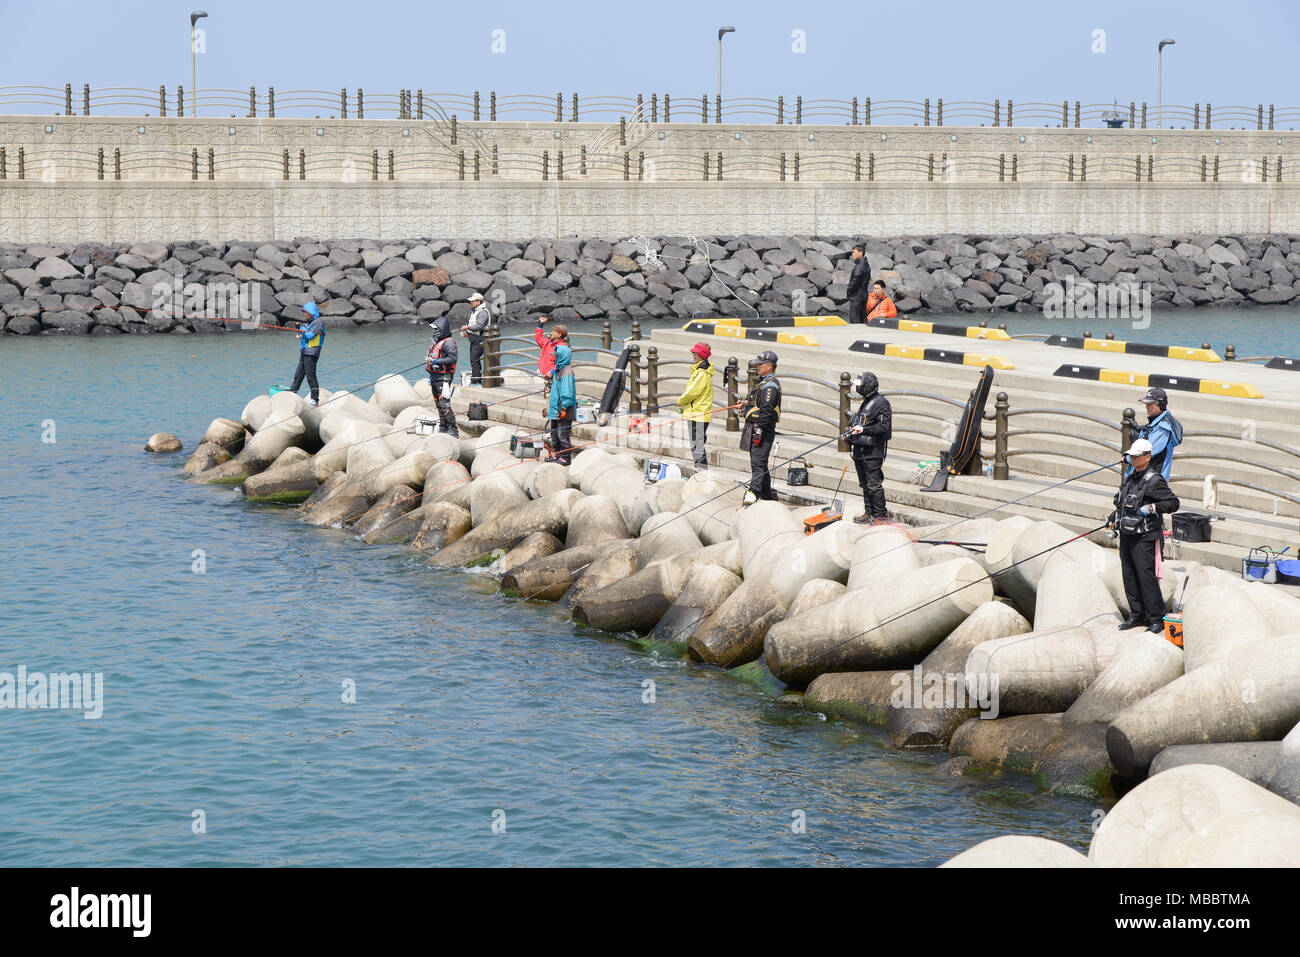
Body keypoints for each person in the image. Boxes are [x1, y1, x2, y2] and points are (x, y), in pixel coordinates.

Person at [1108, 438, 1180, 633]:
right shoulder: (1130, 478)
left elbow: (1173, 503)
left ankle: (1155, 618)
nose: (1132, 458)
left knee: (1146, 577)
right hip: (1127, 535)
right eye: (1131, 455)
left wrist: (1153, 507)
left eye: (1136, 456)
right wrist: (1113, 517)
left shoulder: (1155, 481)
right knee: (1129, 575)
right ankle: (1136, 614)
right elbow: (1123, 505)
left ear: (1147, 458)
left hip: (1145, 537)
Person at [847, 371, 893, 524]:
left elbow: (883, 427)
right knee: (864, 484)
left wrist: (863, 429)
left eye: (860, 386)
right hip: (860, 450)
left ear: (868, 386)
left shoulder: (881, 403)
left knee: (874, 485)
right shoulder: (866, 401)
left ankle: (880, 515)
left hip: (873, 452)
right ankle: (869, 512)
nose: (858, 389)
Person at [740, 350, 782, 504]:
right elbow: (759, 403)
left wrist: (759, 431)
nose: (757, 367)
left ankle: (753, 492)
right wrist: (747, 405)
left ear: (769, 366)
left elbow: (766, 410)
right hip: (756, 426)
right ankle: (767, 495)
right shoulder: (763, 382)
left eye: (760, 364)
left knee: (758, 461)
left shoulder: (770, 386)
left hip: (763, 429)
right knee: (760, 462)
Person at [1128, 387, 1183, 483]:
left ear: (1160, 405)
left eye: (1150, 404)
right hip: (1143, 480)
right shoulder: (1155, 422)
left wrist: (1127, 458)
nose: (1146, 407)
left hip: (1152, 483)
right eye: (1146, 404)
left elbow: (1147, 452)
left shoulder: (1164, 428)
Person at [676, 342, 715, 469]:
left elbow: (692, 392)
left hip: (698, 414)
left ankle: (701, 471)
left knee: (697, 445)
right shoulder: (700, 371)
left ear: (701, 355)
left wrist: (680, 401)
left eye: (695, 353)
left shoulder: (701, 373)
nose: (693, 355)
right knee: (697, 443)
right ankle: (700, 468)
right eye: (693, 353)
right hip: (698, 413)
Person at [545, 326, 577, 465]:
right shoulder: (558, 370)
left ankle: (565, 457)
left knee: (562, 435)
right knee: (554, 434)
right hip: (555, 409)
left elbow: (567, 393)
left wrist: (563, 408)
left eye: (556, 356)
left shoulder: (566, 372)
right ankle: (556, 455)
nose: (554, 358)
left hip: (563, 409)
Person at [425, 316, 460, 436]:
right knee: (438, 404)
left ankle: (452, 428)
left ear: (442, 329)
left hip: (444, 378)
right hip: (434, 377)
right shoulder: (436, 343)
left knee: (444, 403)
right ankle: (443, 426)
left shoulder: (449, 342)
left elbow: (452, 358)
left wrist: (436, 361)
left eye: (437, 329)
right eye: (434, 330)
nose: (435, 332)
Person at [289, 301, 324, 406]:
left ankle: (315, 399)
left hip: (312, 353)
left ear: (311, 312)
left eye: (306, 312)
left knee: (311, 376)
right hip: (305, 353)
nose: (305, 314)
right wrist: (299, 329)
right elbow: (304, 336)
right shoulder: (309, 323)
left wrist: (301, 327)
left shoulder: (318, 322)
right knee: (298, 375)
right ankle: (291, 394)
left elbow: (309, 336)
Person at [459, 292, 492, 385]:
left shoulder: (482, 312)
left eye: (472, 301)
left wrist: (467, 328)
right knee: (474, 359)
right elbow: (474, 326)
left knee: (474, 359)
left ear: (478, 301)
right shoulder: (475, 311)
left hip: (480, 339)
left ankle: (476, 379)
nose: (470, 303)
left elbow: (480, 326)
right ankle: (477, 378)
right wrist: (467, 333)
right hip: (474, 339)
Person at [845, 244, 871, 324]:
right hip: (863, 296)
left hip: (856, 297)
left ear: (861, 253)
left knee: (854, 319)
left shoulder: (859, 266)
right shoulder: (866, 265)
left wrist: (849, 290)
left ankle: (856, 335)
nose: (852, 254)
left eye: (854, 252)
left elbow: (856, 280)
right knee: (862, 319)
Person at [535, 314, 558, 396]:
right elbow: (539, 337)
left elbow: (561, 362)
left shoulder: (560, 347)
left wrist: (551, 371)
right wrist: (540, 324)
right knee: (547, 394)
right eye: (553, 331)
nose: (552, 333)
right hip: (546, 375)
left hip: (554, 375)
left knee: (554, 395)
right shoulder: (547, 342)